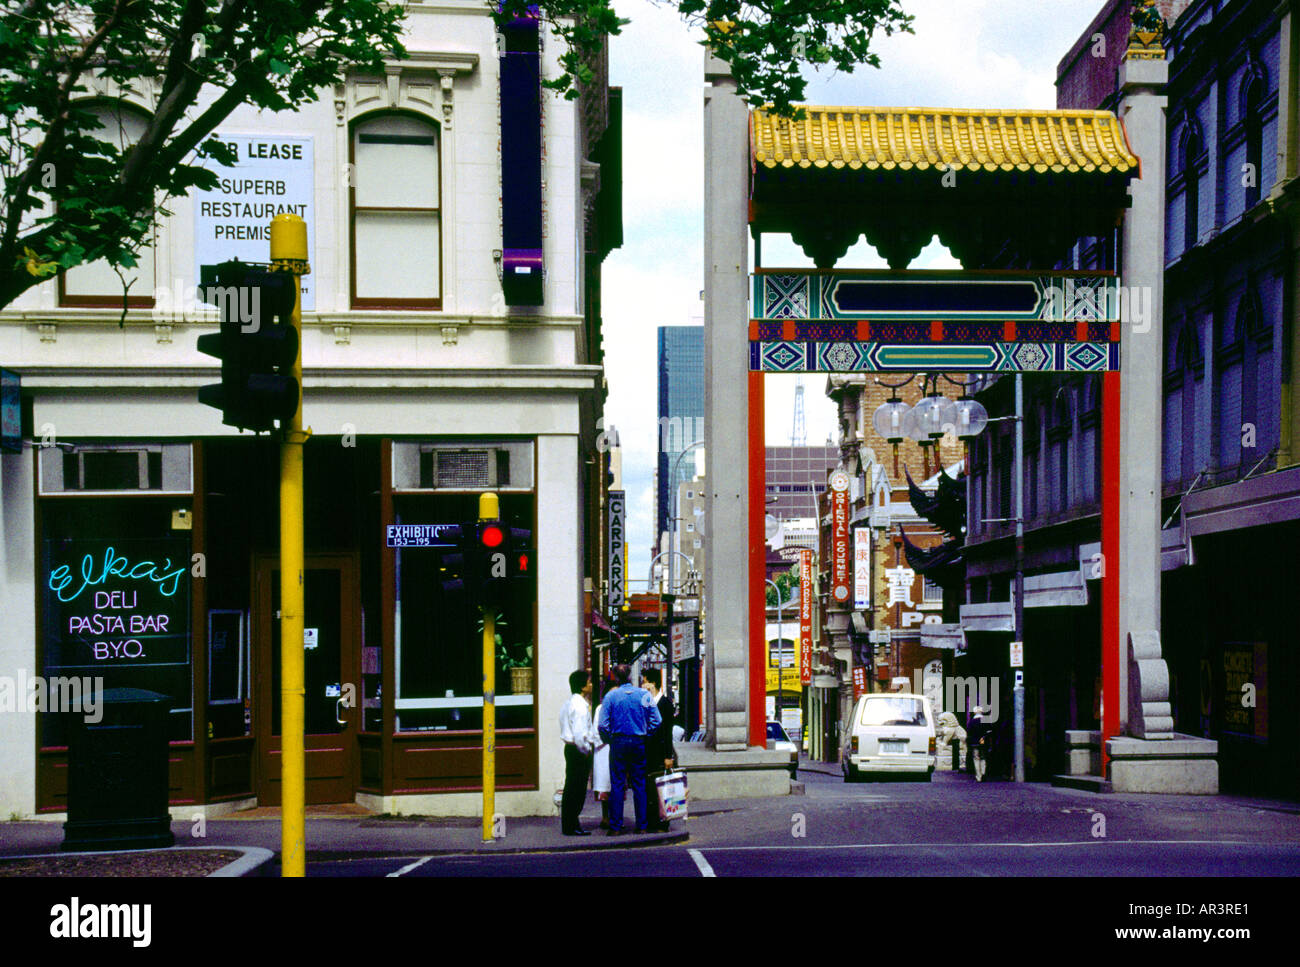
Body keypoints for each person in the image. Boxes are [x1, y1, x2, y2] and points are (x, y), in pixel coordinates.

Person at [597, 663, 661, 835]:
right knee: (639, 784)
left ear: (616, 678)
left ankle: (616, 826)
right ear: (631, 677)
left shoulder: (611, 696)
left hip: (618, 742)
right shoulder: (643, 695)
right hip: (638, 741)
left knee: (617, 784)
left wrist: (609, 739)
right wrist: (647, 733)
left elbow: (602, 724)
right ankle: (642, 825)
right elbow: (657, 720)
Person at [558, 669, 594, 835]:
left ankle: (570, 824)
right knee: (577, 789)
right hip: (578, 750)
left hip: (570, 749)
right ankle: (572, 825)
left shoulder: (568, 703)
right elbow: (580, 735)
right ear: (582, 686)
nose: (591, 685)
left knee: (570, 787)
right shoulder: (580, 706)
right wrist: (586, 750)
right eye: (589, 682)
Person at [640, 668, 676, 832]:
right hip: (648, 752)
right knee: (649, 788)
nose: (642, 684)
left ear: (652, 683)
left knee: (662, 788)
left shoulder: (665, 704)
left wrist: (668, 756)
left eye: (644, 681)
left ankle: (663, 822)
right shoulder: (646, 702)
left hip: (661, 753)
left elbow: (667, 732)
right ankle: (651, 821)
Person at [590, 674, 616, 829]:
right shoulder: (600, 709)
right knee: (604, 785)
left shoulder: (619, 706)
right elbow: (596, 732)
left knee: (616, 784)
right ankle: (605, 816)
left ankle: (615, 816)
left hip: (617, 749)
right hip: (604, 750)